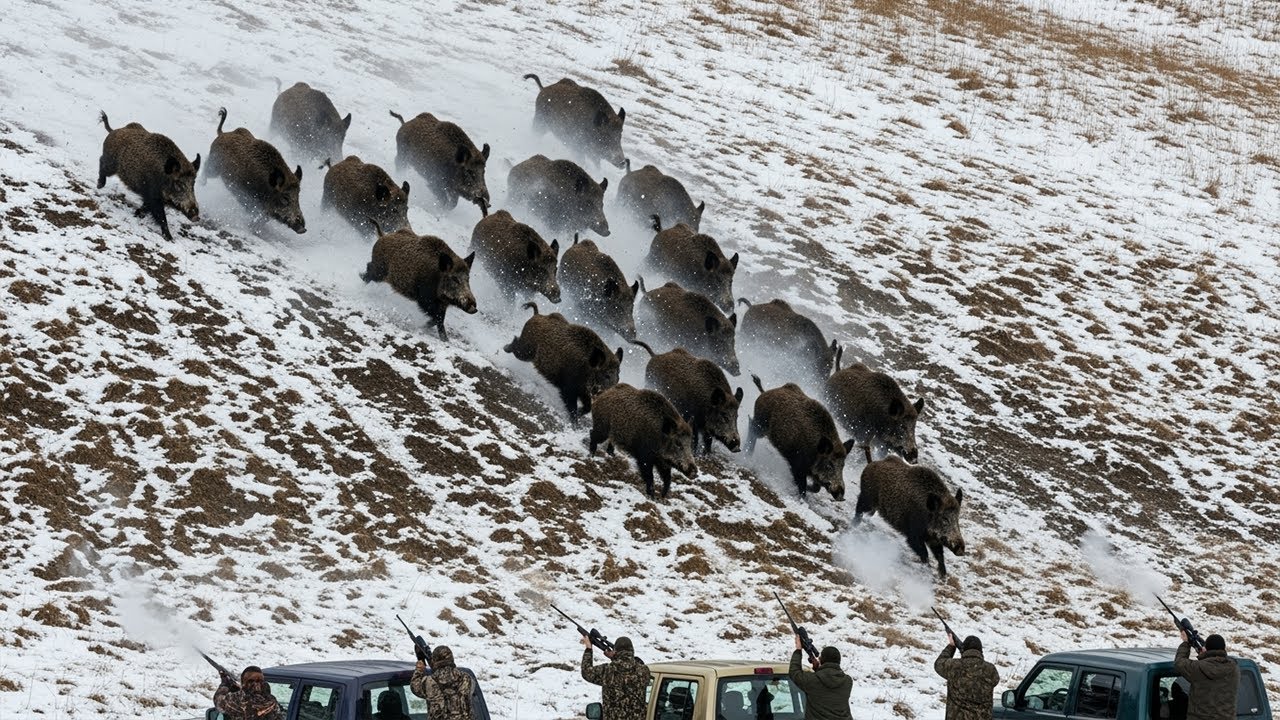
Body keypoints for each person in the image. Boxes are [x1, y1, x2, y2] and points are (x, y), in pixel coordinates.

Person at [581, 634, 650, 720]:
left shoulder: (607, 670)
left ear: (615, 651)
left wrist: (588, 648)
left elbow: (586, 672)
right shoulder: (644, 671)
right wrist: (616, 658)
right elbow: (632, 665)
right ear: (632, 651)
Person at [933, 632, 1000, 720]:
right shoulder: (990, 669)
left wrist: (951, 646)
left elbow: (939, 664)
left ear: (963, 649)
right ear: (980, 651)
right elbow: (995, 680)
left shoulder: (954, 666)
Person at [1173, 631, 1238, 720]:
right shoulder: (1234, 668)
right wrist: (1206, 655)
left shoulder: (1200, 668)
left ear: (1206, 649)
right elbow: (1217, 663)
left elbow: (1179, 663)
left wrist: (1186, 643)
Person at [787, 636, 852, 720]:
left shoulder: (813, 680)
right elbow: (827, 686)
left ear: (821, 660)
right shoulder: (847, 682)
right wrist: (818, 670)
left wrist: (798, 650)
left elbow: (794, 672)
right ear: (838, 661)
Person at [410, 646, 474, 720]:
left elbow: (415, 687)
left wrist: (419, 670)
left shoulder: (430, 681)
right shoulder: (467, 678)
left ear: (435, 660)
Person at [213, 666, 284, 720]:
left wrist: (225, 683)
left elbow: (218, 700)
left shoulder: (235, 699)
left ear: (243, 682)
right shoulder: (272, 701)